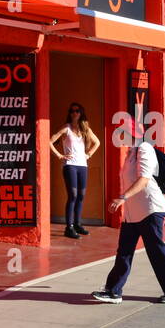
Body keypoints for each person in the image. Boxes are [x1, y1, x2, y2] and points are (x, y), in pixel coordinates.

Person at [91, 136, 165, 305]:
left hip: (151, 209)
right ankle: (113, 291)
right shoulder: (131, 153)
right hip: (132, 213)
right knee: (124, 252)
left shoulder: (145, 148)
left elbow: (144, 179)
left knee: (156, 251)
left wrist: (122, 198)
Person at [49, 102, 101, 239]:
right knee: (73, 195)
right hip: (70, 165)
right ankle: (69, 227)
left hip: (82, 165)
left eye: (77, 111)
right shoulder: (66, 128)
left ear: (81, 113)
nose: (74, 113)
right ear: (70, 113)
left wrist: (88, 154)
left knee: (81, 196)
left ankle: (78, 224)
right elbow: (50, 141)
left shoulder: (85, 129)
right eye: (72, 111)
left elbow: (97, 142)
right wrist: (60, 155)